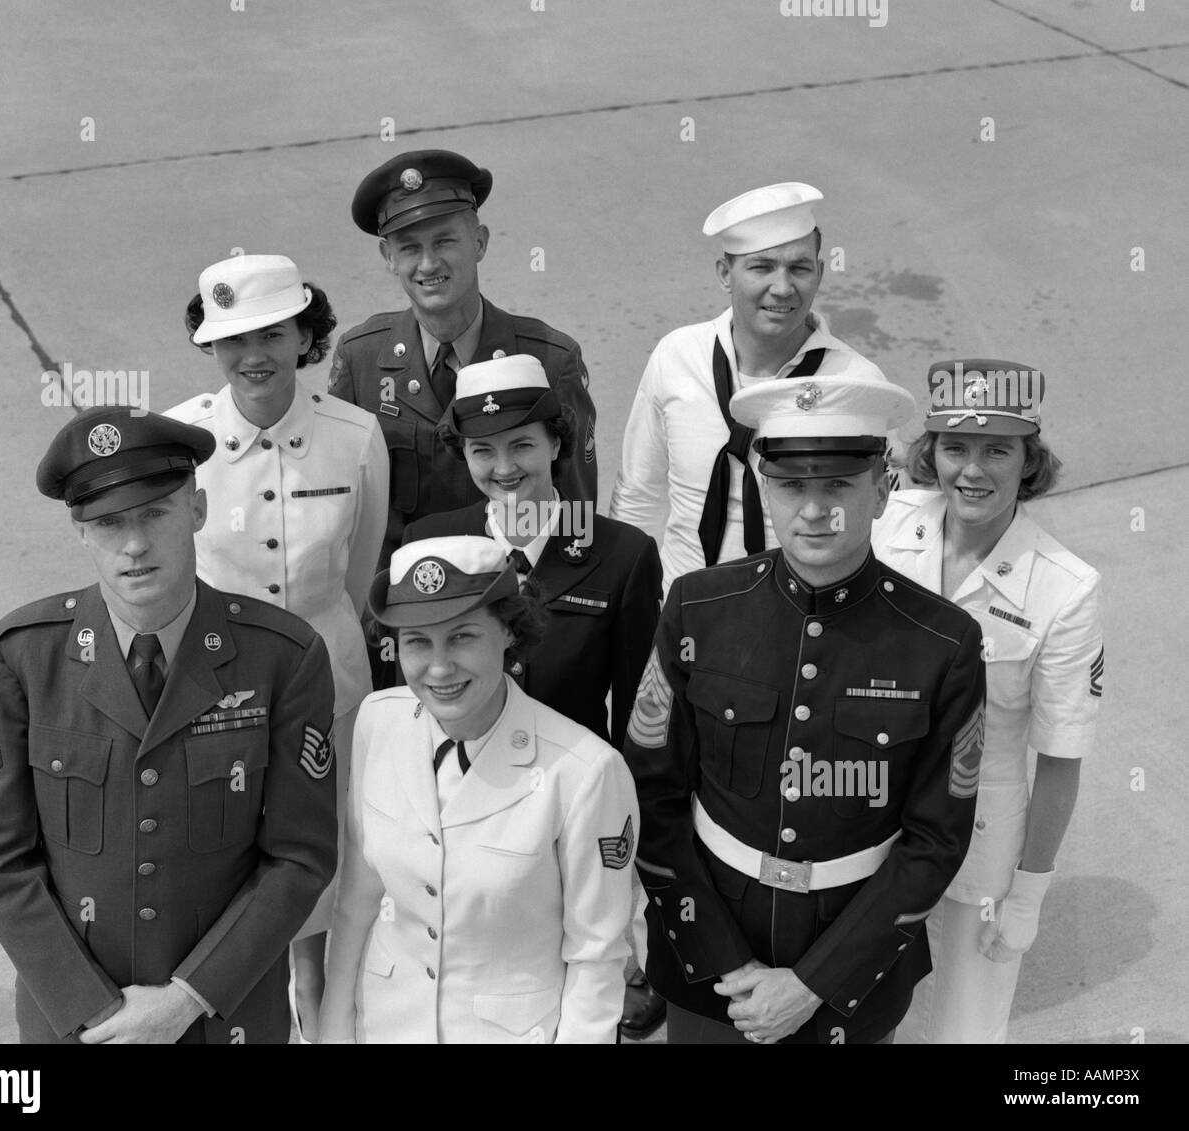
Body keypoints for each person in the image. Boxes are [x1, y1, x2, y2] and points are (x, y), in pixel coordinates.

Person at [621, 364, 987, 1044]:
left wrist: (815, 982)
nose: (815, 509)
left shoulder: (943, 644)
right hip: (709, 955)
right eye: (792, 485)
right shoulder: (698, 609)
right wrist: (727, 964)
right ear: (765, 486)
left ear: (883, 490)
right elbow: (650, 793)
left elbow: (936, 840)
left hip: (855, 967)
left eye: (839, 485)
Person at [0, 407, 337, 1044]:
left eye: (155, 514)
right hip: (74, 1024)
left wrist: (187, 1002)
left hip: (227, 1018)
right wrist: (95, 1013)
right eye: (108, 523)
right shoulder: (22, 656)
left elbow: (300, 857)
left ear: (197, 510)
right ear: (80, 532)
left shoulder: (283, 656)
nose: (133, 545)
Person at [404, 354, 667, 1039]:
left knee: (575, 986)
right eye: (482, 450)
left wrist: (630, 863)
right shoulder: (429, 546)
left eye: (523, 444)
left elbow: (641, 720)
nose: (505, 468)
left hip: (569, 819)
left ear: (558, 442)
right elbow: (408, 704)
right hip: (454, 819)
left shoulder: (622, 554)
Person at [167, 253, 388, 1041]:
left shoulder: (356, 437)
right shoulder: (183, 436)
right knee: (231, 864)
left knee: (322, 870)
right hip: (218, 693)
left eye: (271, 332)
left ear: (305, 334)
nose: (252, 356)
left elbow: (358, 578)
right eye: (231, 340)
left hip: (328, 691)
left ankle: (325, 1017)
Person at [318, 537, 638, 1043]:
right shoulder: (377, 722)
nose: (439, 668)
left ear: (509, 631)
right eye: (417, 641)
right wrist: (332, 1033)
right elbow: (356, 901)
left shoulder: (586, 772)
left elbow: (595, 957)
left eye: (462, 637)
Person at [873, 358, 1103, 1043]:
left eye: (997, 449)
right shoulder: (885, 524)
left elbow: (1061, 754)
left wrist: (1029, 889)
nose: (972, 471)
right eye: (955, 447)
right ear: (930, 454)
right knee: (855, 1016)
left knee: (964, 1033)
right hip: (866, 818)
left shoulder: (1066, 587)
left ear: (1029, 461)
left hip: (979, 845)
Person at [328, 149, 598, 580]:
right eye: (409, 248)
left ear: (480, 241)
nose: (429, 264)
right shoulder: (362, 360)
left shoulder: (549, 359)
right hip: (403, 604)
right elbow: (347, 507)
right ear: (388, 257)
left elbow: (576, 511)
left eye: (444, 241)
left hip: (514, 605)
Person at [610, 182, 889, 597]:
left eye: (799, 268)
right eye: (761, 267)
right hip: (679, 613)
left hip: (799, 625)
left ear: (820, 272)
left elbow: (883, 522)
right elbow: (639, 495)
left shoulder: (857, 385)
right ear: (725, 274)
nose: (782, 288)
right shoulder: (676, 357)